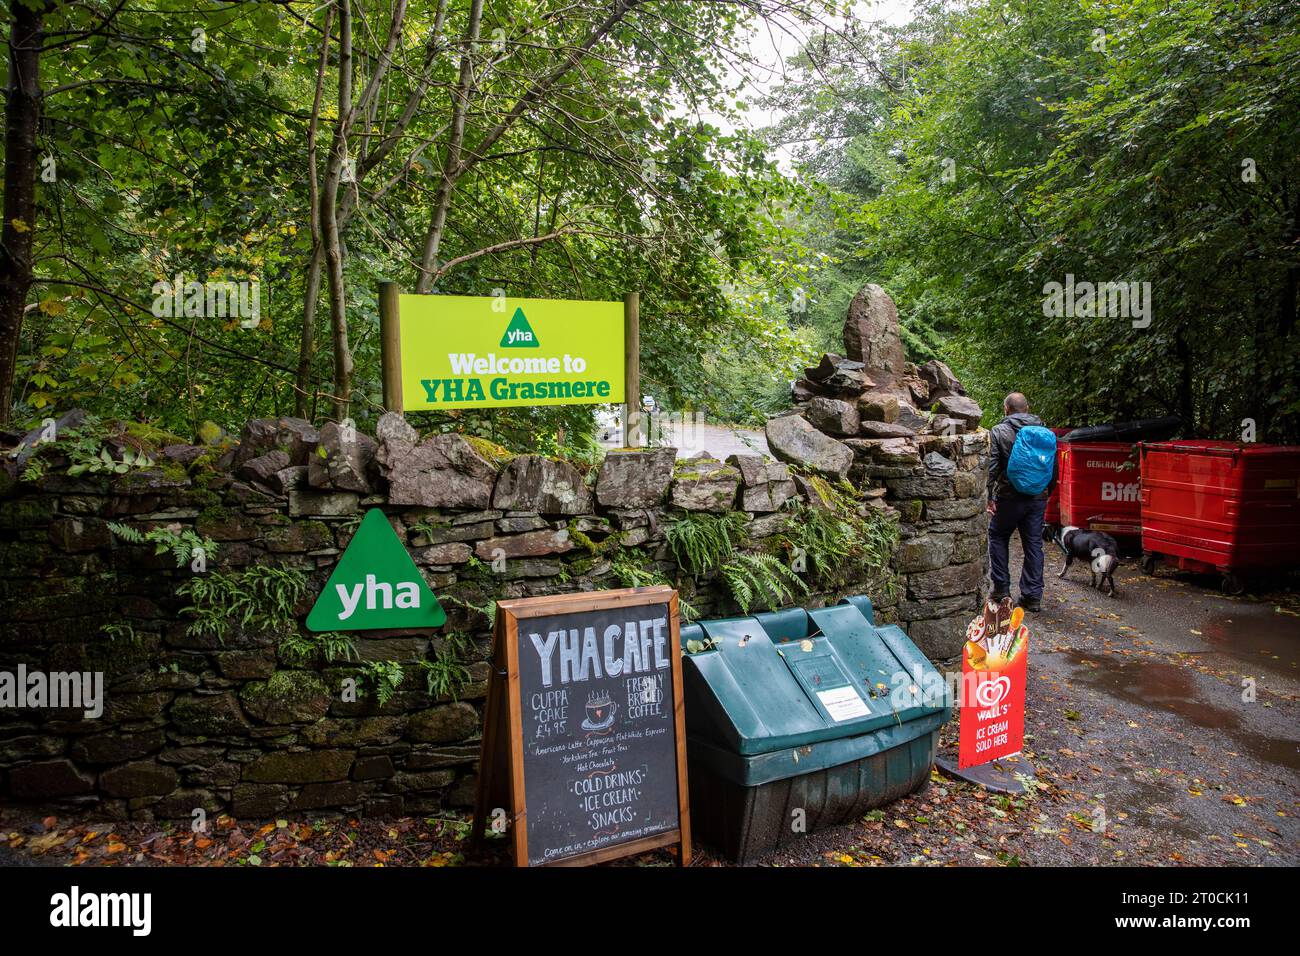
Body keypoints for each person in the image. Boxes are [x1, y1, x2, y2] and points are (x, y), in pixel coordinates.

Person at [987, 392, 1056, 612]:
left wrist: (988, 496)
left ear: (1006, 409)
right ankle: (1032, 596)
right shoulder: (1046, 433)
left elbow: (992, 467)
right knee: (1034, 544)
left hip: (1008, 496)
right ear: (1027, 408)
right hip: (1037, 497)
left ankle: (1001, 590)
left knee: (997, 535)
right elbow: (1053, 469)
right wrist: (1046, 493)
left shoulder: (999, 431)